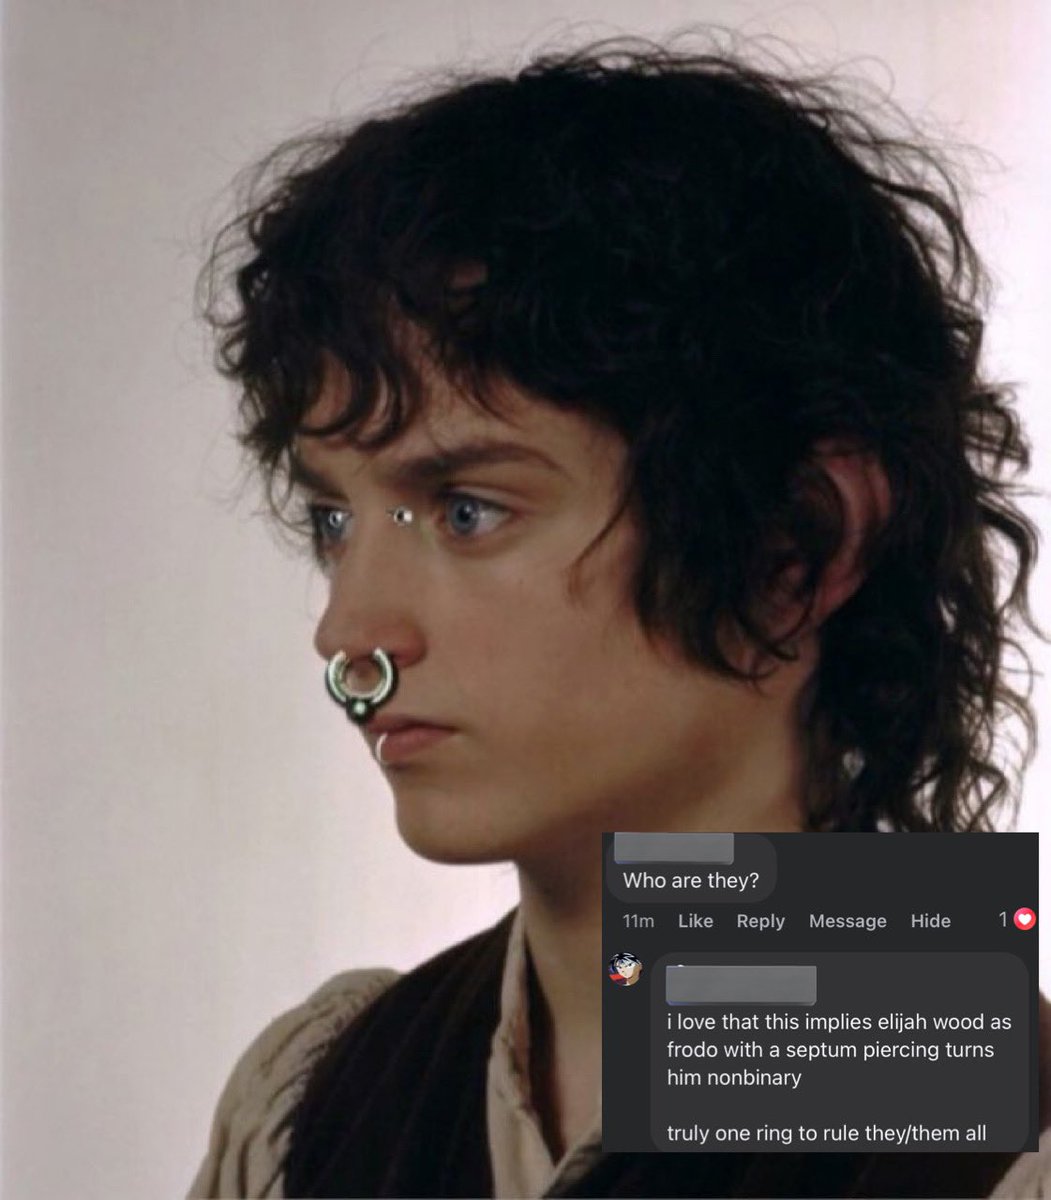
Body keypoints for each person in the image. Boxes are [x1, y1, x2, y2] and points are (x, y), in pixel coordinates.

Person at [189, 35, 1050, 1198]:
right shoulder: (324, 1107)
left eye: (469, 510)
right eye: (334, 520)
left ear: (796, 546)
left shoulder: (999, 1147)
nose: (351, 639)